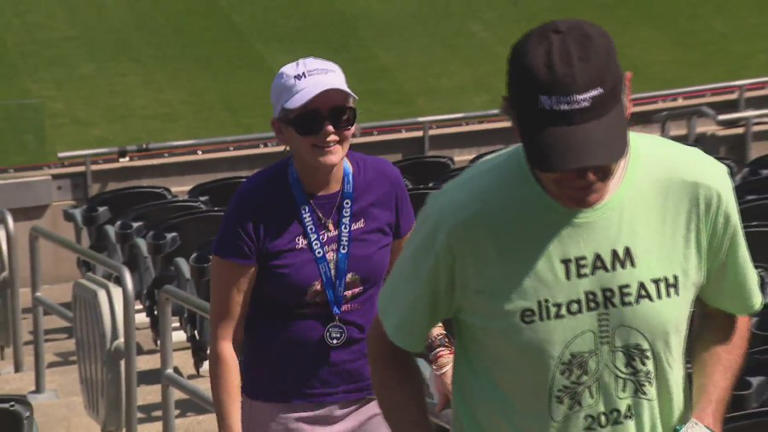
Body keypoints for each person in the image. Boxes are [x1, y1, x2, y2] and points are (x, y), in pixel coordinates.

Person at [367, 19, 764, 432]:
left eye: (599, 148)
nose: (586, 173)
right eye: (562, 155)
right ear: (513, 119)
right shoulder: (459, 217)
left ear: (627, 95)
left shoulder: (698, 185)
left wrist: (705, 420)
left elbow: (727, 307)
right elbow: (390, 341)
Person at [209, 56, 415, 432]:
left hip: (377, 396)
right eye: (308, 121)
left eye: (342, 116)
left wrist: (442, 354)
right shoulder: (254, 203)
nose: (329, 131)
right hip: (283, 408)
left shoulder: (386, 183)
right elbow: (225, 337)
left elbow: (409, 288)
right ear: (279, 130)